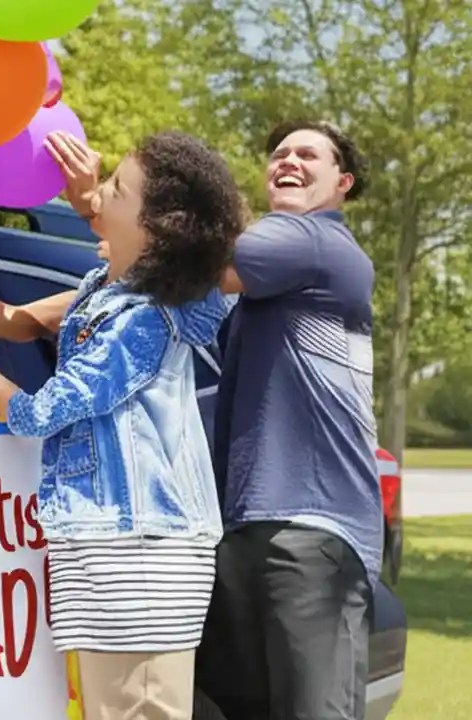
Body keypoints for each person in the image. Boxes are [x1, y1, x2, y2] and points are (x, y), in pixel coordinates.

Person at [0, 131, 247, 720]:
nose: (97, 190)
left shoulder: (142, 321)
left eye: (117, 188)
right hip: (109, 553)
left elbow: (35, 414)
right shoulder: (104, 290)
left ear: (160, 228)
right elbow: (25, 318)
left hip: (141, 558)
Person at [194, 120, 378, 720]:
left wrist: (103, 208)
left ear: (343, 183)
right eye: (279, 154)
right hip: (243, 527)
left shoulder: (314, 239)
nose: (288, 161)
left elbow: (196, 265)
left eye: (307, 154)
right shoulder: (259, 295)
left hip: (311, 528)